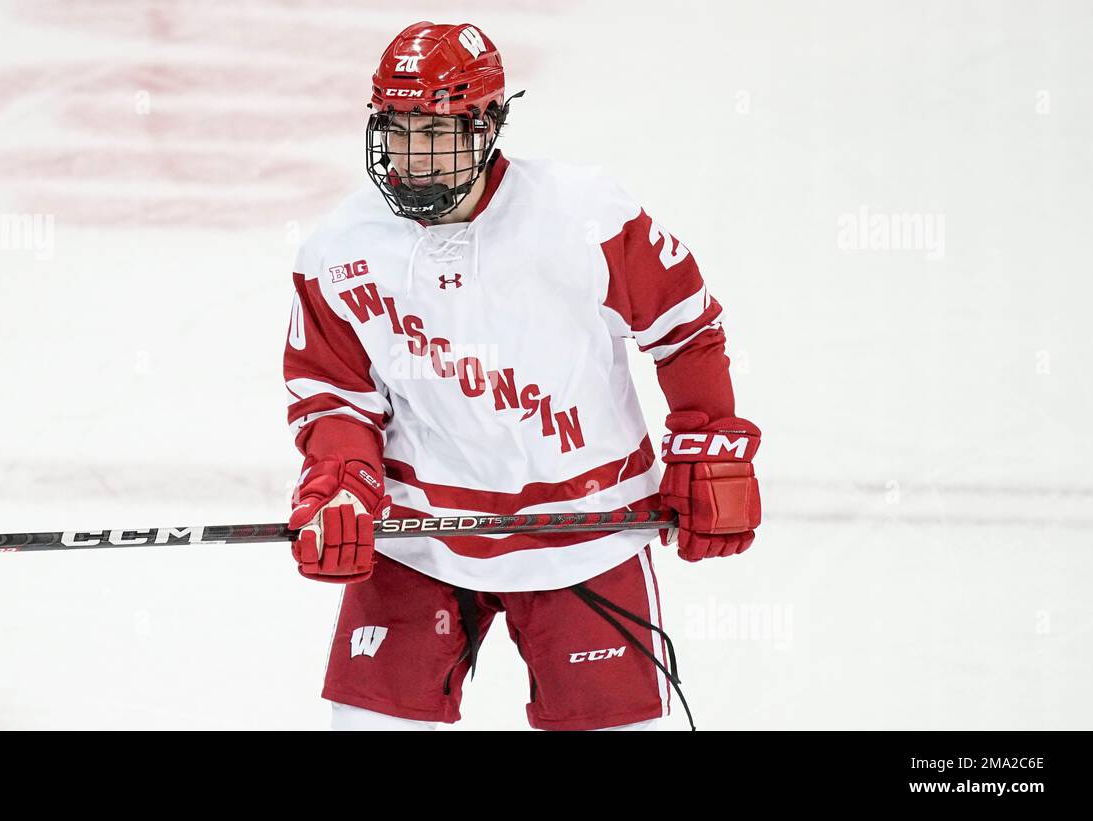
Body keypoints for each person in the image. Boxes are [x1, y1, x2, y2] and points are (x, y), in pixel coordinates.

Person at [282, 20, 761, 731]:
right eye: (398, 130)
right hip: (421, 536)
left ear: (490, 124)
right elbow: (336, 397)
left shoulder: (585, 216)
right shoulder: (337, 251)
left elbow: (685, 328)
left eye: (436, 133)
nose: (413, 158)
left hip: (587, 533)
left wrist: (708, 437)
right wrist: (342, 482)